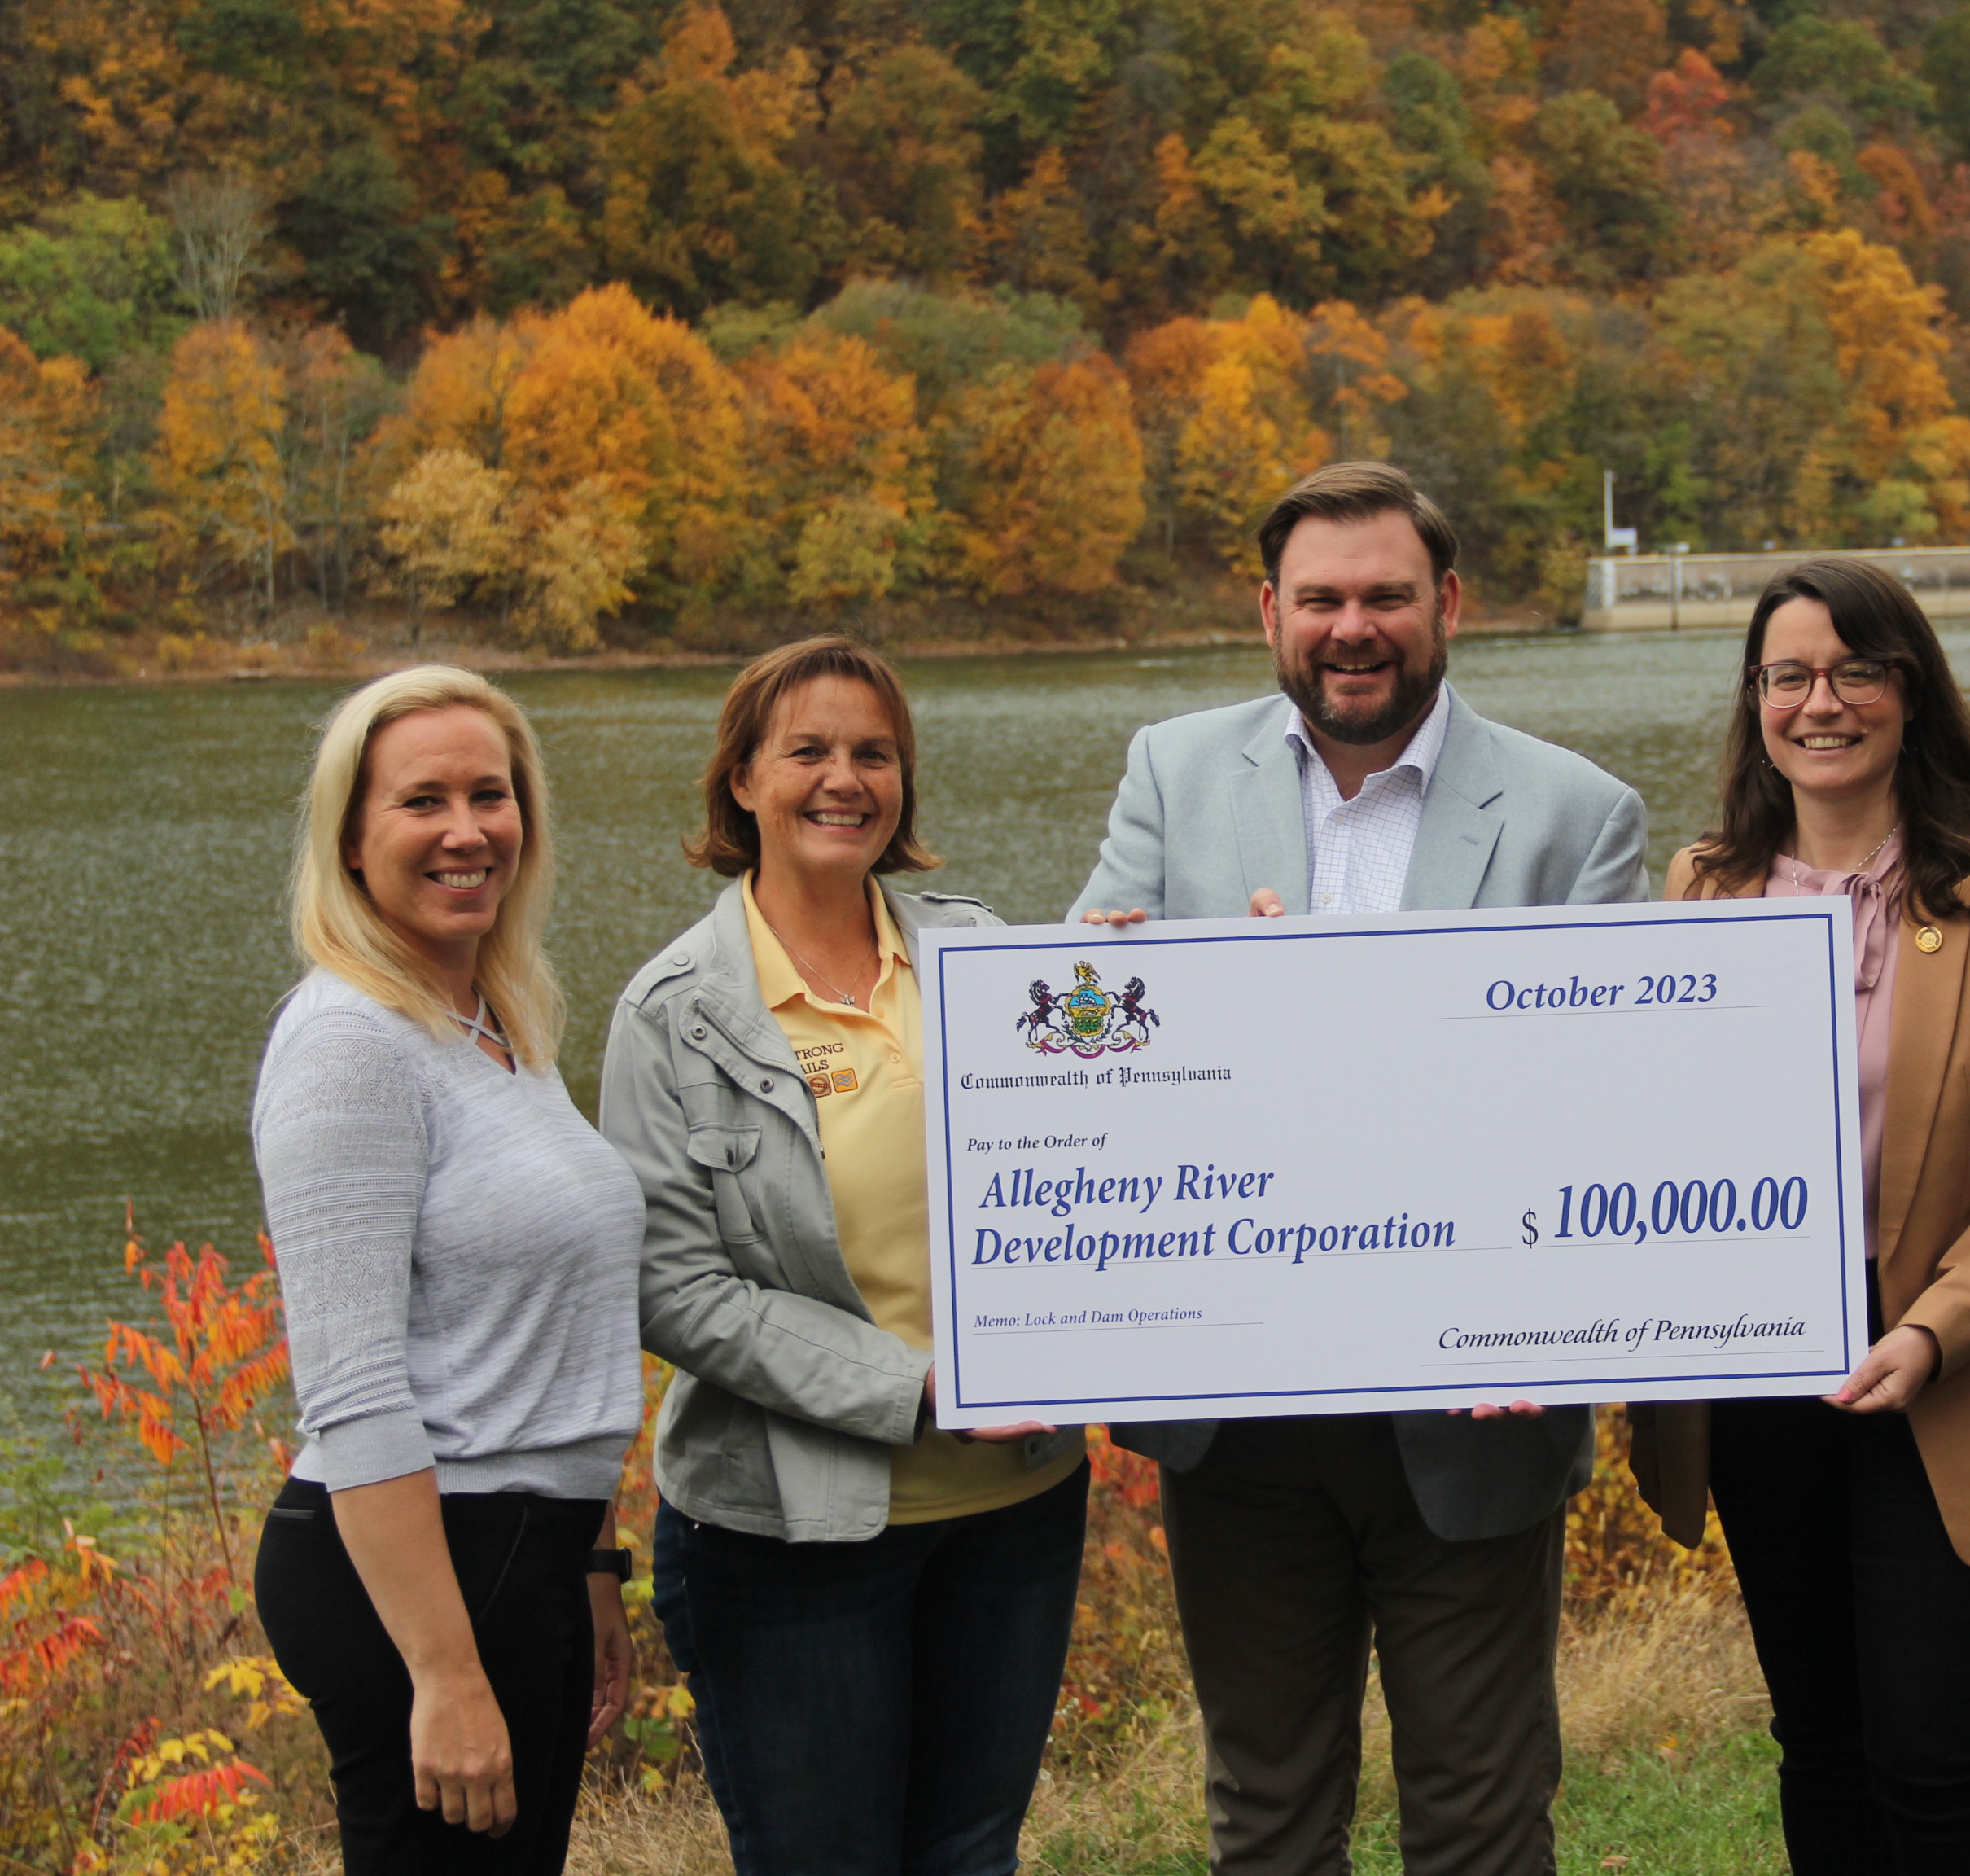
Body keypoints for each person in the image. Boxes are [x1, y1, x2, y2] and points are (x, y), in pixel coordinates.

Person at [1070, 461, 1647, 1875]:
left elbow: (1609, 1106)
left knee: (1482, 1813)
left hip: (1476, 1405)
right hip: (1240, 1412)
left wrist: (1559, 1311)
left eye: (1386, 595)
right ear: (1269, 612)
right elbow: (1083, 1036)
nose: (1353, 626)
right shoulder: (1172, 767)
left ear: (1447, 605)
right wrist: (1221, 1008)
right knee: (1265, 1812)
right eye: (1319, 598)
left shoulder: (1581, 813)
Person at [1629, 559, 1970, 1874]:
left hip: (1938, 1377)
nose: (1819, 703)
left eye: (1855, 671)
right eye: (1789, 676)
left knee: (1929, 1755)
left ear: (1910, 691)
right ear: (1755, 699)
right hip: (1756, 1384)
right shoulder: (1701, 884)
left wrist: (1938, 1329)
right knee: (1820, 1741)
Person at [601, 636, 1088, 1875]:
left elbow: (1099, 1153)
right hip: (790, 1538)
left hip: (1015, 1508)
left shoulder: (983, 958)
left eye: (874, 753)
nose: (844, 778)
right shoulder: (674, 1011)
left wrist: (1157, 989)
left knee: (973, 1852)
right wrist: (912, 1388)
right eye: (807, 750)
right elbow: (674, 1287)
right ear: (743, 783)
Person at [252, 666, 641, 1874]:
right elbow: (354, 1387)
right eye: (424, 801)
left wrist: (588, 1564)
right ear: (353, 841)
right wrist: (444, 1671)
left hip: (521, 1551)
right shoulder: (347, 1047)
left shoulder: (490, 1019)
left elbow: (537, 1335)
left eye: (493, 793)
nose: (469, 830)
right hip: (423, 1572)